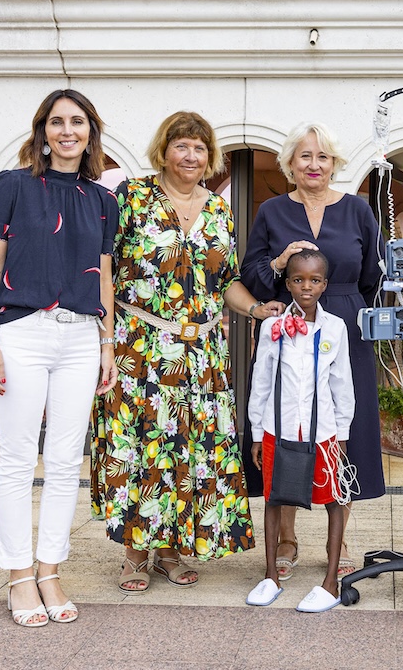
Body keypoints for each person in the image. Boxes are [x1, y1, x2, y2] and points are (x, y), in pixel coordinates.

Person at [90, 110, 284, 594]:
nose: (191, 155)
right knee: (141, 448)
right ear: (165, 150)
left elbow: (227, 284)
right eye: (182, 146)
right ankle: (135, 553)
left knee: (190, 450)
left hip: (201, 354)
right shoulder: (132, 196)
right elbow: (105, 271)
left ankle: (172, 551)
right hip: (142, 349)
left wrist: (258, 309)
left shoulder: (218, 210)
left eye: (199, 148)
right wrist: (106, 342)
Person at [0, 88, 119, 627]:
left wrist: (106, 344)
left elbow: (102, 275)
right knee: (17, 460)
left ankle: (49, 569)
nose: (67, 131)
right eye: (57, 122)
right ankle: (17, 576)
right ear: (42, 132)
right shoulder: (11, 186)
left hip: (81, 337)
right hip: (22, 333)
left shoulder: (102, 200)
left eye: (77, 122)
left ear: (90, 132)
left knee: (64, 463)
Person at [241, 122, 385, 580]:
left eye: (323, 156)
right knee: (286, 426)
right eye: (305, 156)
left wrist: (350, 311)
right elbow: (250, 273)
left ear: (335, 163)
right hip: (286, 326)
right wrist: (280, 264)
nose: (314, 164)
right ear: (290, 164)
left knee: (340, 426)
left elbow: (373, 275)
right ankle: (285, 537)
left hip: (344, 323)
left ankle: (335, 541)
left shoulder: (359, 209)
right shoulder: (271, 210)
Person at [245, 249, 354, 613]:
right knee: (274, 497)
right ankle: (270, 575)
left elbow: (342, 384)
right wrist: (258, 433)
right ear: (288, 282)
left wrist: (342, 434)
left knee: (334, 499)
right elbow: (260, 381)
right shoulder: (272, 327)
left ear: (324, 284)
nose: (305, 287)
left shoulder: (335, 327)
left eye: (314, 280)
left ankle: (330, 582)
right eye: (297, 280)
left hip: (322, 432)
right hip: (279, 428)